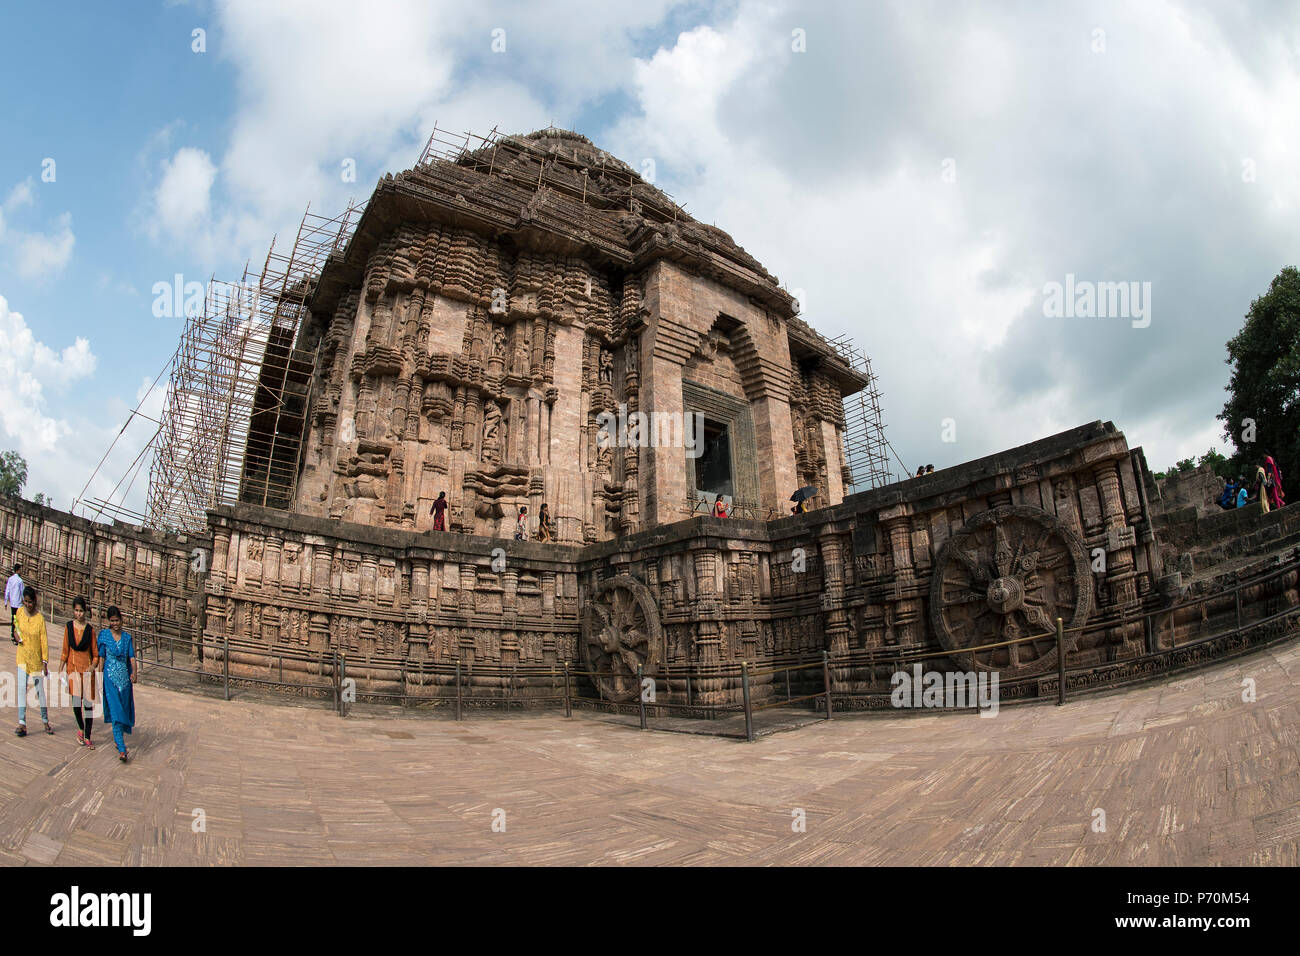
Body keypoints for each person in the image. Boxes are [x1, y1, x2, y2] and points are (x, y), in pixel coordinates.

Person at [97, 606, 135, 762]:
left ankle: (118, 738)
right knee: (116, 711)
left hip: (124, 680)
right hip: (110, 679)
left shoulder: (126, 638)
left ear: (121, 620)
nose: (115, 623)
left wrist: (135, 673)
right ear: (109, 622)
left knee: (123, 710)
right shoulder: (105, 636)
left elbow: (132, 657)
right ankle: (121, 748)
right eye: (112, 621)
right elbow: (101, 658)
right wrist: (99, 676)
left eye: (117, 620)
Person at [59, 596, 98, 748]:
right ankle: (81, 728)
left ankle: (88, 735)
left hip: (87, 672)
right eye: (76, 610)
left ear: (85, 612)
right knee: (76, 704)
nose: (79, 614)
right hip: (73, 669)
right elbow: (65, 650)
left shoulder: (90, 631)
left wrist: (93, 666)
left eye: (81, 611)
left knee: (88, 706)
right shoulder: (69, 627)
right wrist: (60, 669)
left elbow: (95, 654)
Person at [13, 585, 51, 737]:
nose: (28, 605)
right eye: (25, 601)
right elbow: (16, 629)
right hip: (22, 656)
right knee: (22, 689)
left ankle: (45, 720)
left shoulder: (39, 618)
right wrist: (16, 636)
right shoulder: (20, 612)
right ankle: (22, 723)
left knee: (40, 692)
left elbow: (44, 641)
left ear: (35, 602)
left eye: (30, 602)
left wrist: (45, 662)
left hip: (36, 660)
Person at [5, 564, 23, 642]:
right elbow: (22, 592)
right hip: (18, 604)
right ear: (18, 570)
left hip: (13, 603)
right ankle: (16, 635)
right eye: (20, 570)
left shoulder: (10, 579)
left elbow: (7, 590)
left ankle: (13, 634)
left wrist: (6, 602)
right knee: (17, 620)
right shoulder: (20, 581)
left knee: (14, 618)